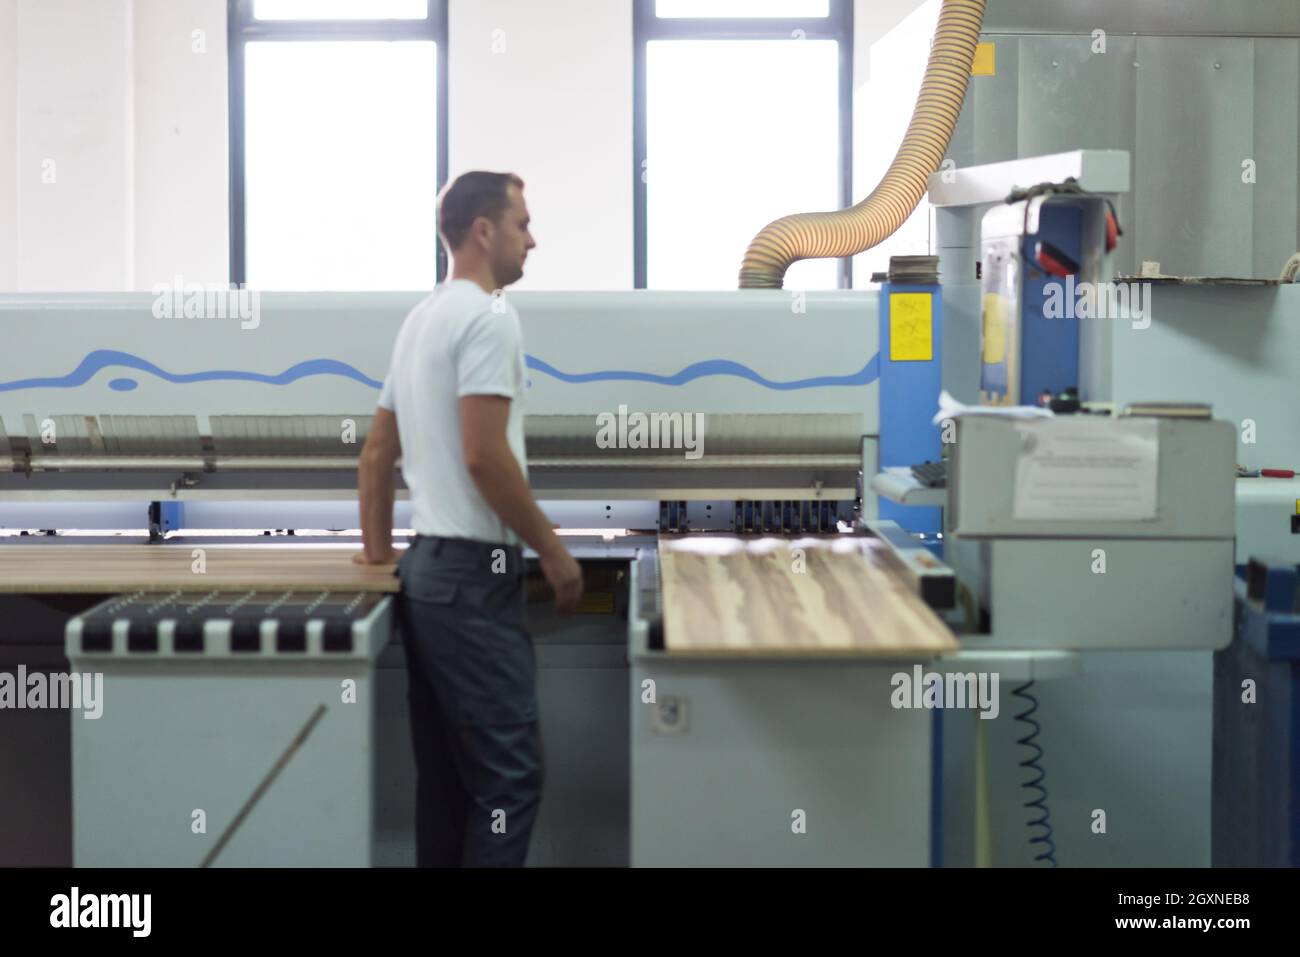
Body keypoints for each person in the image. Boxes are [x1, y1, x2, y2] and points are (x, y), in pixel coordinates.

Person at [353, 170, 584, 867]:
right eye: (522, 223)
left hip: (429, 572)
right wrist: (553, 549)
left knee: (448, 784)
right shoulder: (489, 317)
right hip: (474, 578)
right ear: (484, 232)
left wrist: (379, 558)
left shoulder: (420, 319)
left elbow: (374, 455)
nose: (532, 239)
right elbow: (485, 457)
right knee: (509, 783)